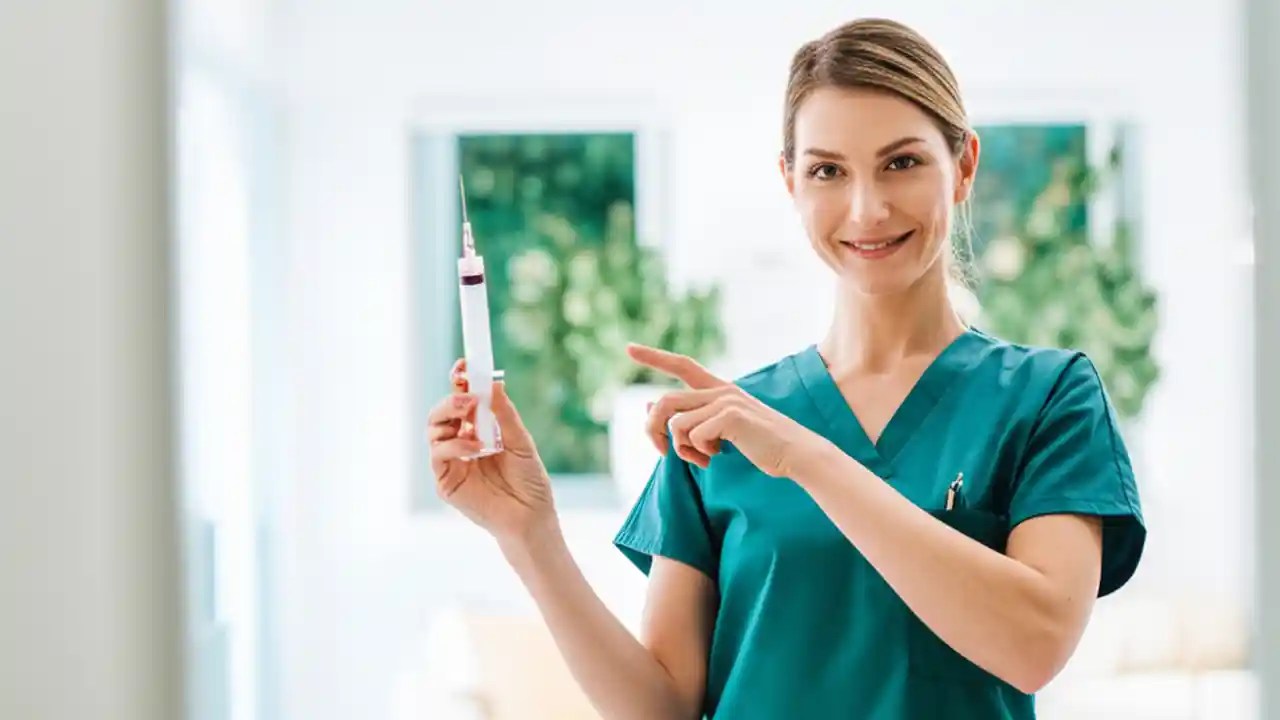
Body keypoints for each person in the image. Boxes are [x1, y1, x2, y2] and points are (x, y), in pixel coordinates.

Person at [427, 16, 1146, 720]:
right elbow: (661, 707)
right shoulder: (718, 427)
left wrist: (807, 459)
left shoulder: (1047, 399)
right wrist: (530, 537)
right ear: (790, 181)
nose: (867, 209)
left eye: (902, 162)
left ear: (963, 167)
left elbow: (1035, 643)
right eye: (828, 170)